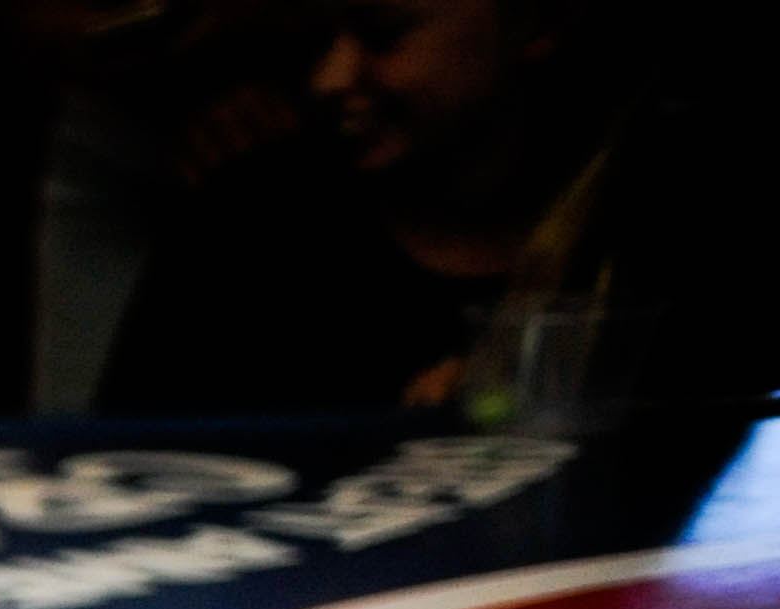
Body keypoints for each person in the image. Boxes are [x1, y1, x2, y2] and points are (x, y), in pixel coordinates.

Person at [97, 0, 640, 414]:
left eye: (383, 36)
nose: (328, 78)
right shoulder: (247, 221)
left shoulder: (645, 221)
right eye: (321, 36)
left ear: (538, 22)